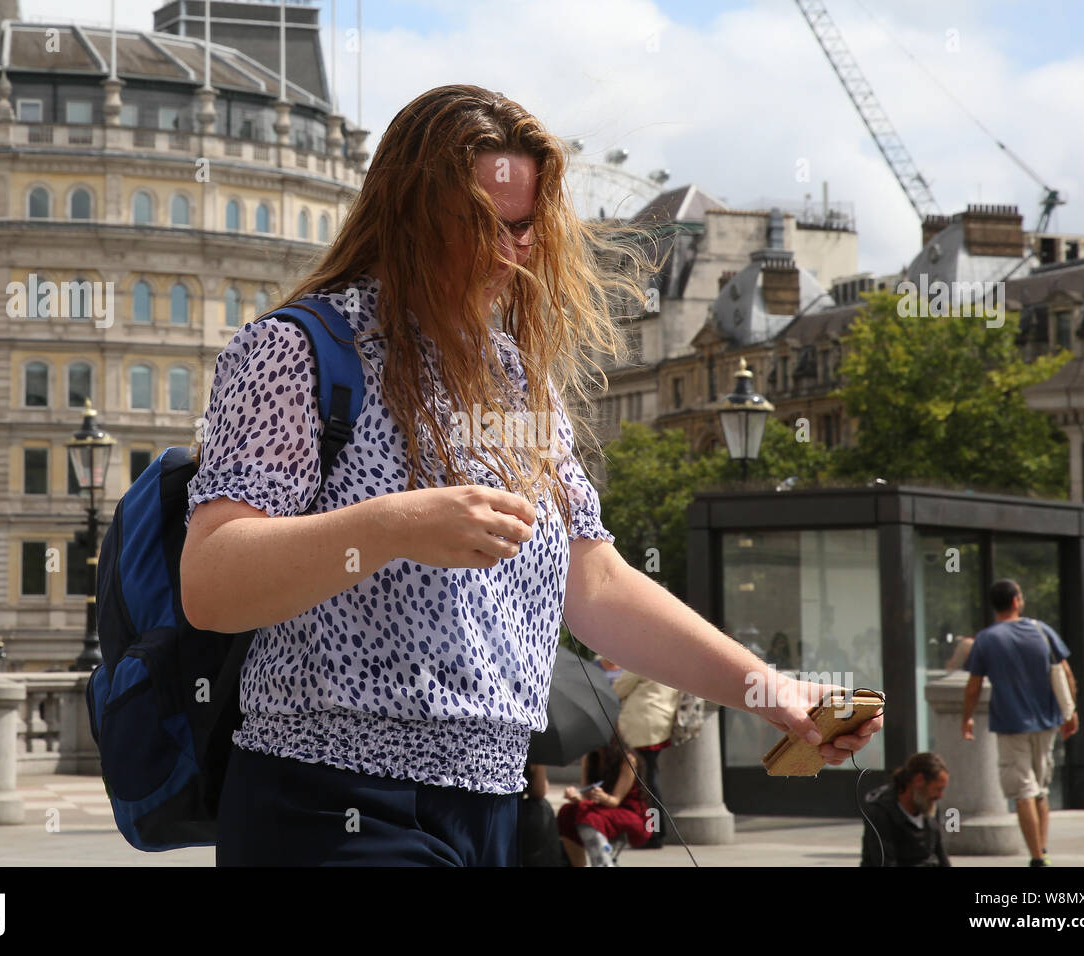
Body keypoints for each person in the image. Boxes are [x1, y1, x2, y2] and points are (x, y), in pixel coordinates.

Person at [180, 84, 884, 867]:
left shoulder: (519, 381)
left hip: (499, 806)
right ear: (407, 219)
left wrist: (774, 694)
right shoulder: (296, 350)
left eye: (524, 228)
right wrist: (393, 525)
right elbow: (211, 583)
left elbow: (598, 585)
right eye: (481, 226)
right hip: (329, 802)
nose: (509, 253)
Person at [961, 579, 1078, 867]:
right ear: (1016, 601)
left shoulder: (986, 639)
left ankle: (1037, 857)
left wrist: (967, 718)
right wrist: (1070, 712)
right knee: (1041, 788)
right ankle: (1044, 849)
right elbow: (1066, 673)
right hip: (1047, 721)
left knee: (1024, 790)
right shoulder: (1042, 630)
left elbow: (973, 686)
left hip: (1011, 723)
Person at [612, 666, 681, 849]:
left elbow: (621, 687)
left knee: (647, 783)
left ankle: (652, 833)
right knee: (650, 779)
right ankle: (654, 831)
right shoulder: (670, 659)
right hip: (658, 723)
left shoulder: (643, 657)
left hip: (642, 725)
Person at [556, 739, 650, 866]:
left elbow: (615, 800)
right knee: (566, 812)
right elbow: (585, 797)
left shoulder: (627, 760)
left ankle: (602, 863)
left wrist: (602, 796)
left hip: (627, 811)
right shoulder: (589, 757)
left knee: (590, 817)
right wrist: (576, 796)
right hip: (600, 807)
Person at [860, 752, 951, 867]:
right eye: (938, 789)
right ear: (919, 780)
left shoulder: (929, 806)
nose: (940, 796)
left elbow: (940, 853)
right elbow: (884, 862)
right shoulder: (881, 812)